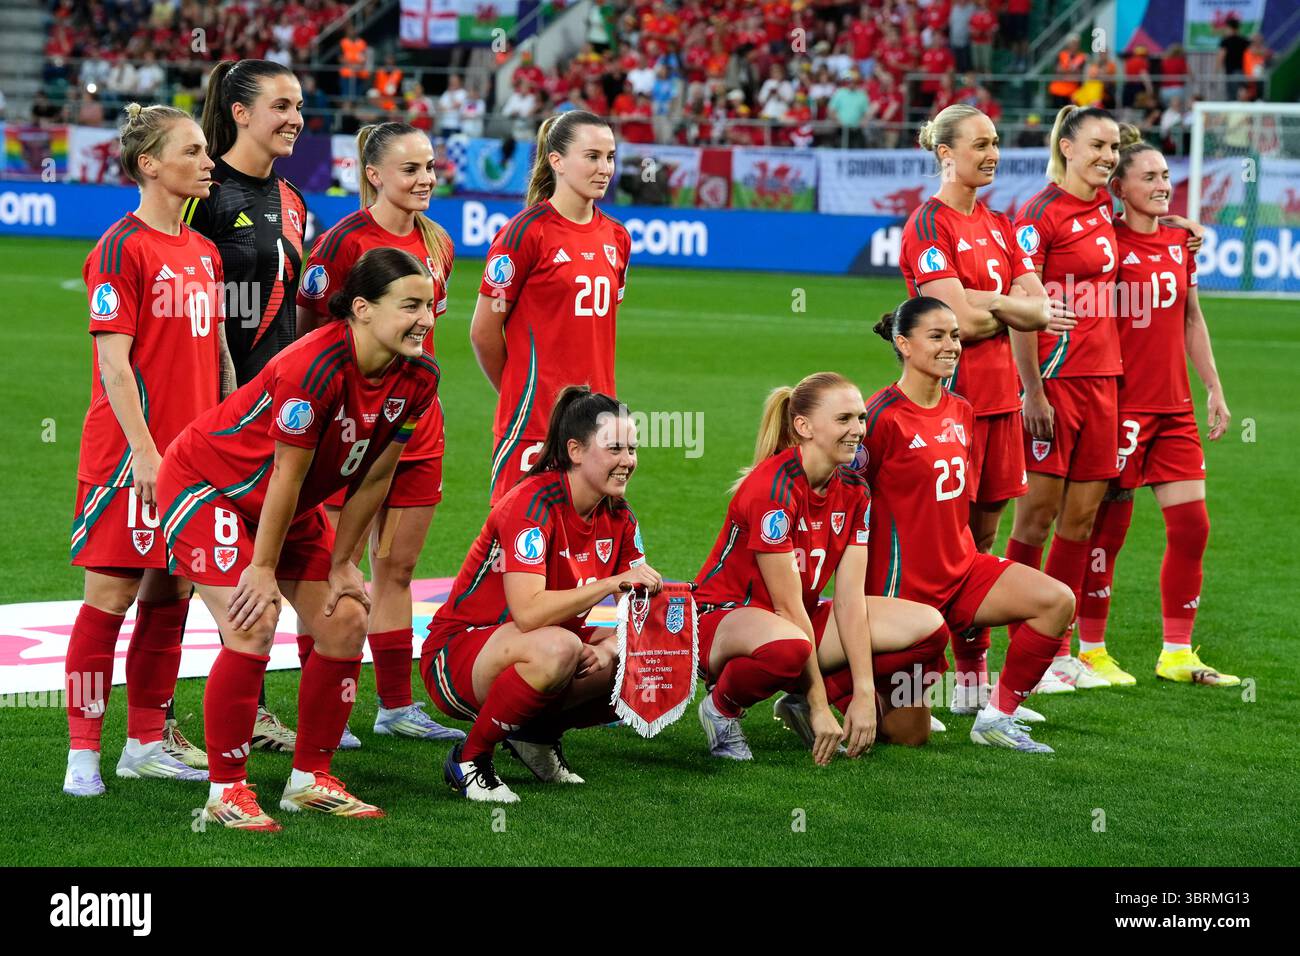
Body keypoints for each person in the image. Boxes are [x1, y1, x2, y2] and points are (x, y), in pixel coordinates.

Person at [157, 248, 442, 830]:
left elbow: (376, 476)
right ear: (362, 308)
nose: (425, 320)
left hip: (286, 505)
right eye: (411, 306)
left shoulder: (419, 379)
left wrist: (343, 562)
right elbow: (286, 474)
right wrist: (262, 569)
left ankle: (310, 780)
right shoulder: (313, 367)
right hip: (210, 486)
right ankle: (226, 792)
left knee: (345, 619)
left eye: (430, 306)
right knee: (252, 620)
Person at [63, 103, 235, 797]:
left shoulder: (205, 252)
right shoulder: (120, 248)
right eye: (192, 151)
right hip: (128, 458)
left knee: (172, 594)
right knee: (109, 597)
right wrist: (143, 453)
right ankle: (82, 753)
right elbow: (114, 365)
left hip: (190, 458)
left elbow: (217, 355)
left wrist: (220, 441)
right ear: (150, 165)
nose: (207, 162)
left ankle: (143, 743)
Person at [900, 104, 1077, 711]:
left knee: (981, 541)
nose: (992, 153)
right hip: (948, 408)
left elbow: (1040, 307)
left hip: (1001, 407)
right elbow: (960, 322)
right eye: (979, 144)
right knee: (938, 551)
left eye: (996, 142)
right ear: (946, 153)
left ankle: (971, 684)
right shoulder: (928, 224)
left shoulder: (1002, 225)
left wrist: (992, 304)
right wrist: (1006, 306)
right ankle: (916, 680)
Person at [296, 122, 463, 744]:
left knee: (397, 566)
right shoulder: (342, 243)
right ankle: (323, 706)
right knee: (327, 568)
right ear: (373, 174)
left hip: (417, 424)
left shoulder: (439, 242)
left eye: (429, 167)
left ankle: (395, 706)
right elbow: (310, 328)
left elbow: (426, 333)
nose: (425, 179)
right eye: (410, 169)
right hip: (351, 428)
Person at [694, 373, 952, 763]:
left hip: (797, 618)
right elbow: (786, 608)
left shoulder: (855, 489)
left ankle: (800, 699)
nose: (858, 430)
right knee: (790, 647)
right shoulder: (773, 489)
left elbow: (850, 601)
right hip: (723, 619)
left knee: (929, 628)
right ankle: (722, 708)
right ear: (804, 427)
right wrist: (821, 707)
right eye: (843, 419)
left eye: (861, 418)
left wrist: (863, 692)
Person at [422, 388, 661, 803]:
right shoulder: (532, 503)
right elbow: (529, 614)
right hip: (460, 654)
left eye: (633, 449)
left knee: (647, 654)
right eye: (615, 449)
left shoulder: (619, 515)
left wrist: (610, 648)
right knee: (560, 647)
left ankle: (535, 735)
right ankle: (470, 758)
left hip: (540, 647)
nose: (628, 461)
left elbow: (640, 611)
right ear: (575, 451)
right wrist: (609, 584)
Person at [866, 299, 1077, 752]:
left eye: (955, 335)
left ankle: (996, 719)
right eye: (936, 336)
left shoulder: (962, 410)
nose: (950, 346)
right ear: (904, 344)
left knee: (1057, 601)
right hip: (903, 597)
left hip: (961, 572)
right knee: (910, 736)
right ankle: (820, 685)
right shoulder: (881, 417)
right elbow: (847, 504)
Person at [1075, 128, 1238, 687]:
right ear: (1119, 188)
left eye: (1166, 176)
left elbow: (1192, 318)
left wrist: (1213, 387)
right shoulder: (1106, 244)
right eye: (1149, 177)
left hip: (1174, 409)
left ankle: (1177, 653)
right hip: (1119, 406)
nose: (1163, 184)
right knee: (1107, 534)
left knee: (1193, 527)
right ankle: (1090, 650)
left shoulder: (1177, 243)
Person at [182, 59, 309, 754]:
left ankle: (253, 710)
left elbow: (294, 311)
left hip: (277, 417)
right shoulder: (202, 194)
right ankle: (154, 725)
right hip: (213, 417)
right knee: (175, 579)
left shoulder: (293, 199)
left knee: (262, 570)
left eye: (299, 106)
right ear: (239, 112)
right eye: (281, 106)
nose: (295, 119)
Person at [469, 110, 631, 504]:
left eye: (609, 157)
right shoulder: (524, 234)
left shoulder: (617, 237)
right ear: (556, 161)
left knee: (586, 539)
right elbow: (483, 332)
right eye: (592, 156)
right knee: (521, 535)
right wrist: (520, 395)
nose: (604, 168)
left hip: (599, 426)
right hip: (533, 423)